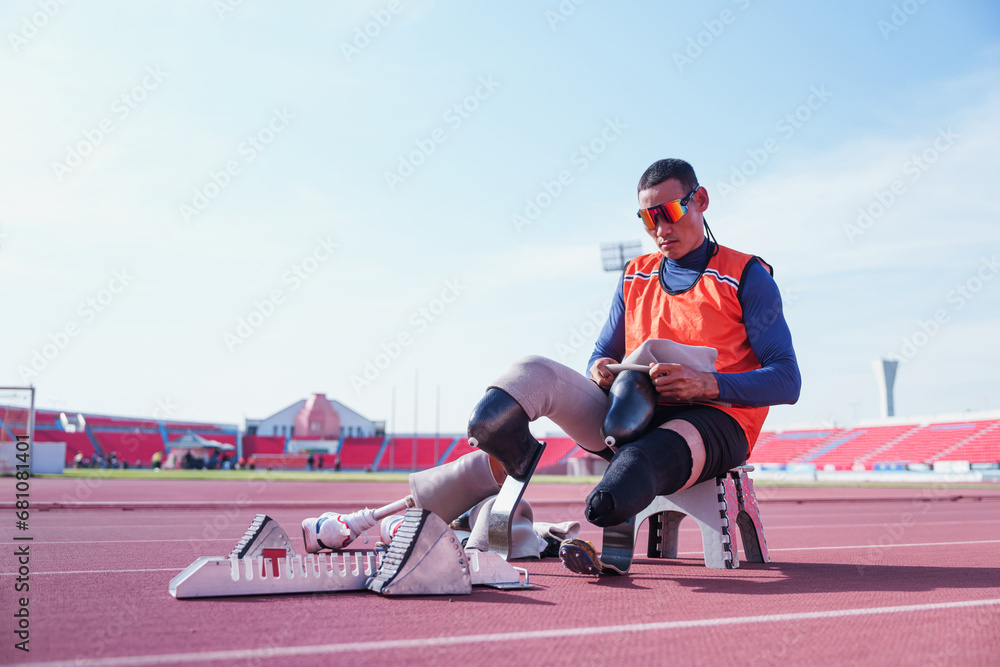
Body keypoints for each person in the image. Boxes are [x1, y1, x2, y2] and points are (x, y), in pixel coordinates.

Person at [303, 158, 800, 572]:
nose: (660, 229)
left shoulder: (747, 274)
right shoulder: (635, 274)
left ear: (701, 200)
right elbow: (599, 353)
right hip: (631, 412)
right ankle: (438, 513)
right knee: (524, 384)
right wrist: (601, 368)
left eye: (669, 212)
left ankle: (521, 528)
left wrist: (705, 384)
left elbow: (787, 379)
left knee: (628, 479)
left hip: (716, 420)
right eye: (648, 219)